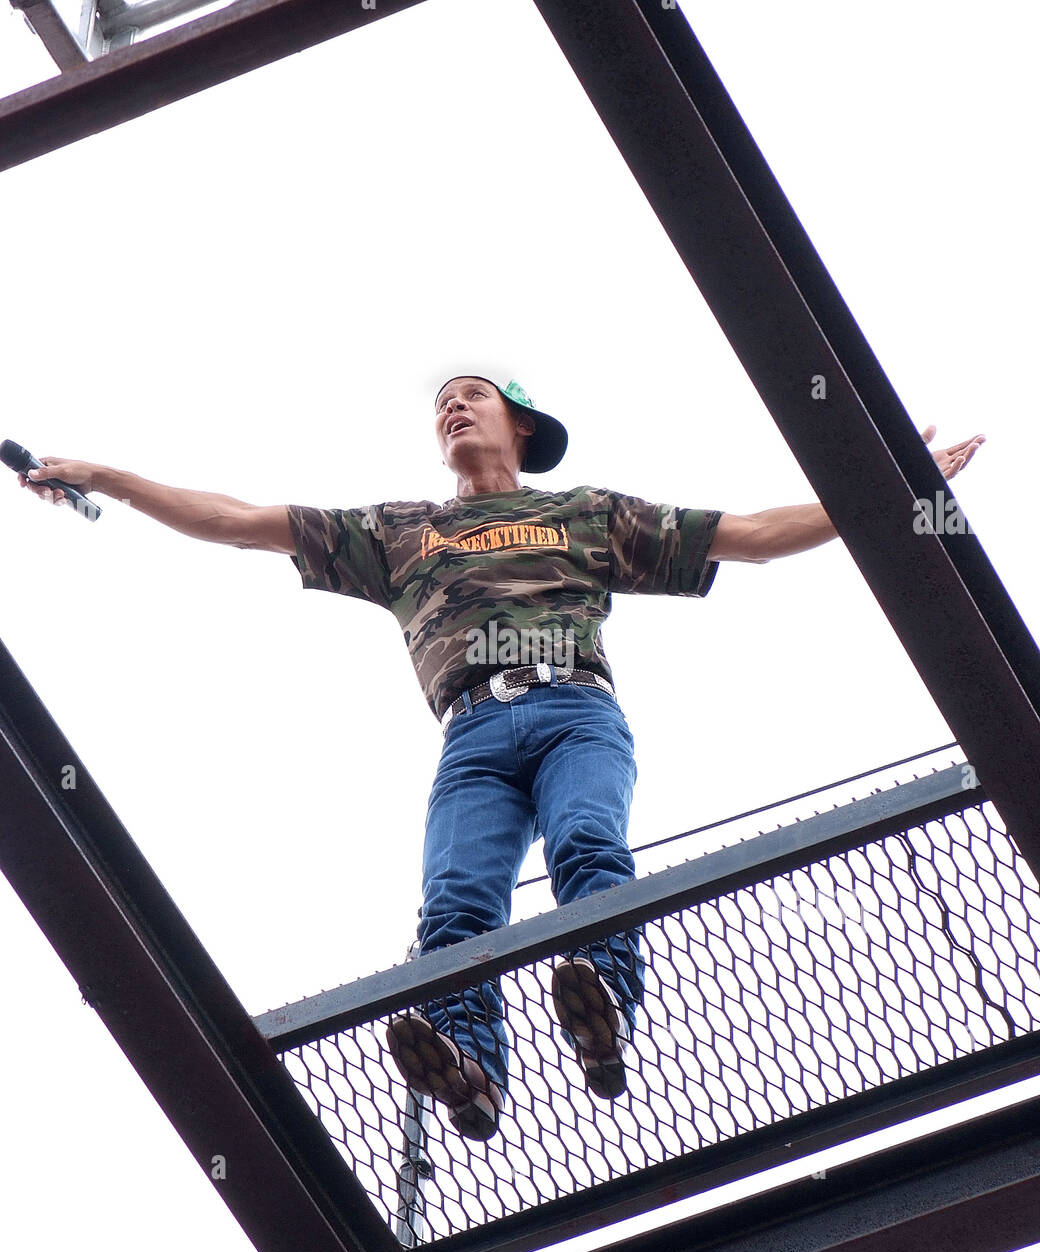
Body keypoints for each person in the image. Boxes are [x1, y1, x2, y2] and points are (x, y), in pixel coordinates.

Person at [19, 377, 984, 1142]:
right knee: (454, 907)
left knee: (589, 845)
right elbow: (232, 517)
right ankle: (470, 1074)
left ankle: (600, 1003)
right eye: (442, 400)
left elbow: (751, 536)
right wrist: (105, 477)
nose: (451, 404)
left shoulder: (585, 513)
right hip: (472, 735)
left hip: (574, 711)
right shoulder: (398, 533)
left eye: (473, 394)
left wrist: (892, 492)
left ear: (520, 425)